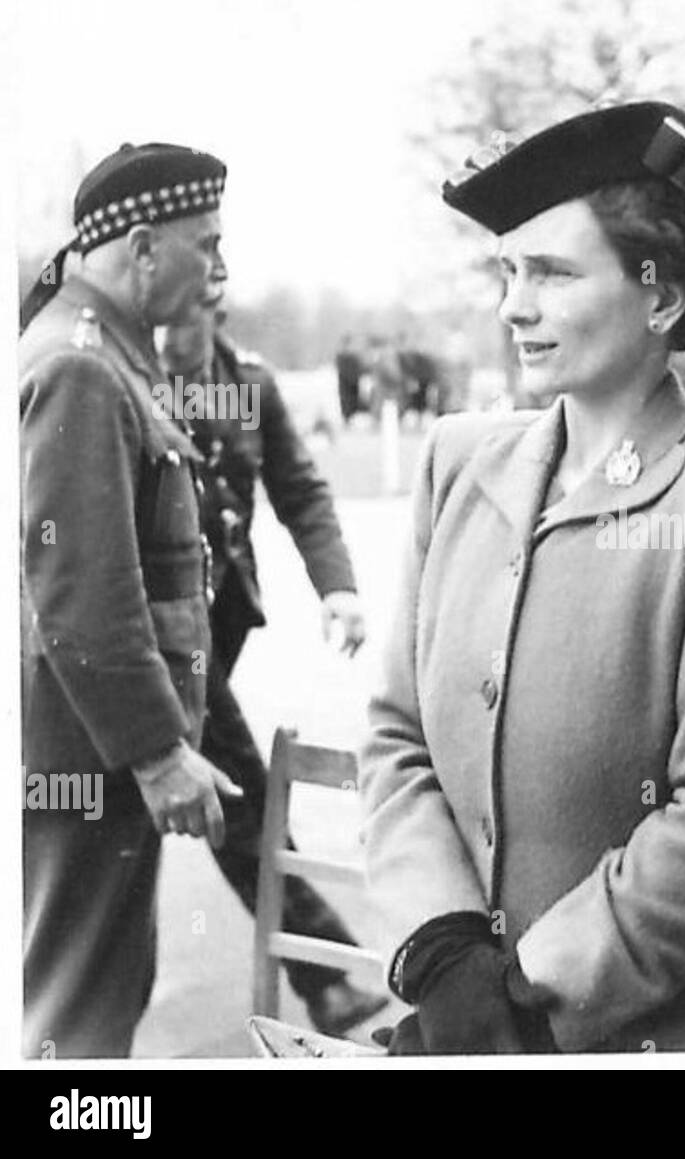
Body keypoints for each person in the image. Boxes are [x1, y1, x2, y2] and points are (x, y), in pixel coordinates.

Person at [361, 102, 685, 1054]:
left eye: (554, 273)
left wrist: (526, 997)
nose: (513, 306)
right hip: (460, 1028)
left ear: (661, 296)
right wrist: (445, 955)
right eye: (509, 272)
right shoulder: (456, 462)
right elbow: (395, 735)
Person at [19, 143, 241, 1057]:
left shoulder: (103, 351)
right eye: (207, 244)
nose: (220, 271)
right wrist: (154, 753)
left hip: (86, 741)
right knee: (81, 1008)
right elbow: (79, 588)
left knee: (95, 988)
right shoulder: (81, 365)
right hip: (88, 752)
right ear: (144, 248)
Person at [158, 310, 388, 1036]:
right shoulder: (123, 374)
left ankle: (324, 975)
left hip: (214, 629)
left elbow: (300, 488)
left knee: (215, 796)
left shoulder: (246, 383)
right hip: (153, 640)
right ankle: (325, 974)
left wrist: (339, 587)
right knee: (236, 791)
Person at [335, 334, 363, 425]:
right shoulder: (341, 356)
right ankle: (347, 420)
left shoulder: (354, 356)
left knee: (352, 403)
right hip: (345, 384)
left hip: (353, 384)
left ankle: (349, 419)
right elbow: (342, 370)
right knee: (346, 403)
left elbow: (360, 368)